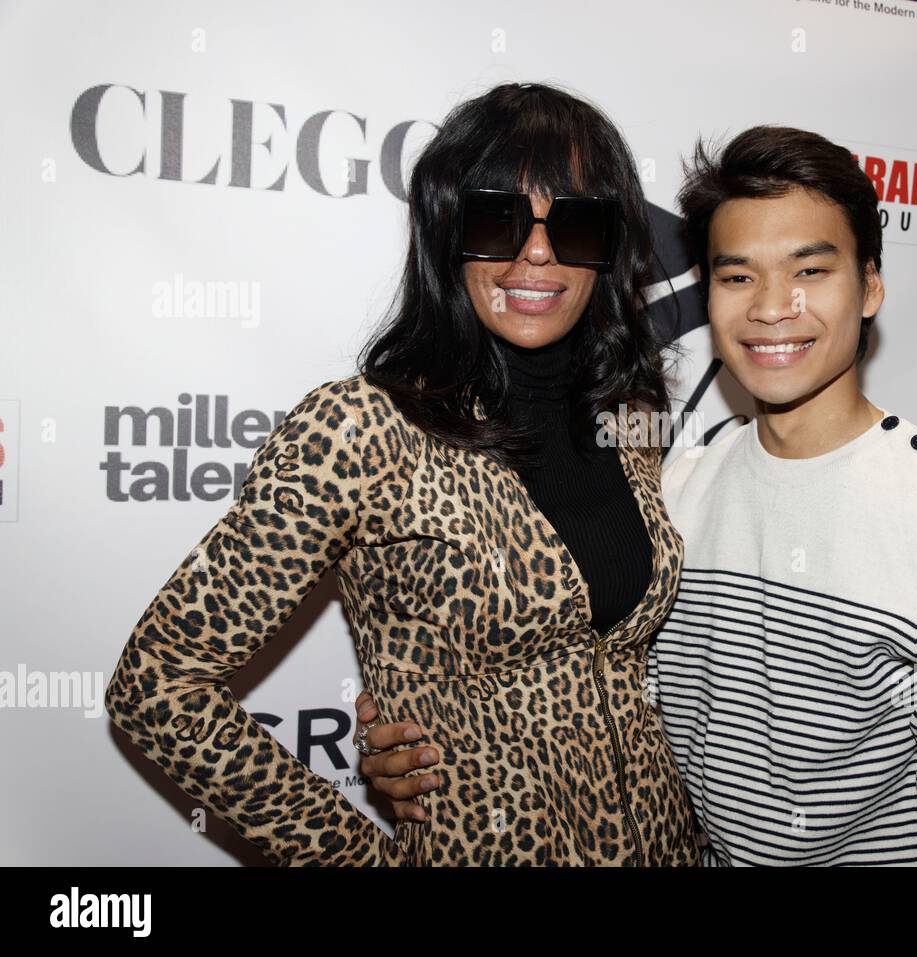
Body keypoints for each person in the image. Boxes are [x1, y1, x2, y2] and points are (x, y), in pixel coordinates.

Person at [359, 124, 917, 867]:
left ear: (871, 285)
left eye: (810, 271)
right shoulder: (676, 491)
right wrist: (429, 736)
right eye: (737, 277)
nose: (770, 307)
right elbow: (611, 700)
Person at [104, 82, 700, 866]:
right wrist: (356, 857)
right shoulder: (359, 430)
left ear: (611, 247)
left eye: (576, 223)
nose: (538, 253)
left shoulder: (630, 423)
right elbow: (157, 687)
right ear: (448, 233)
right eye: (499, 218)